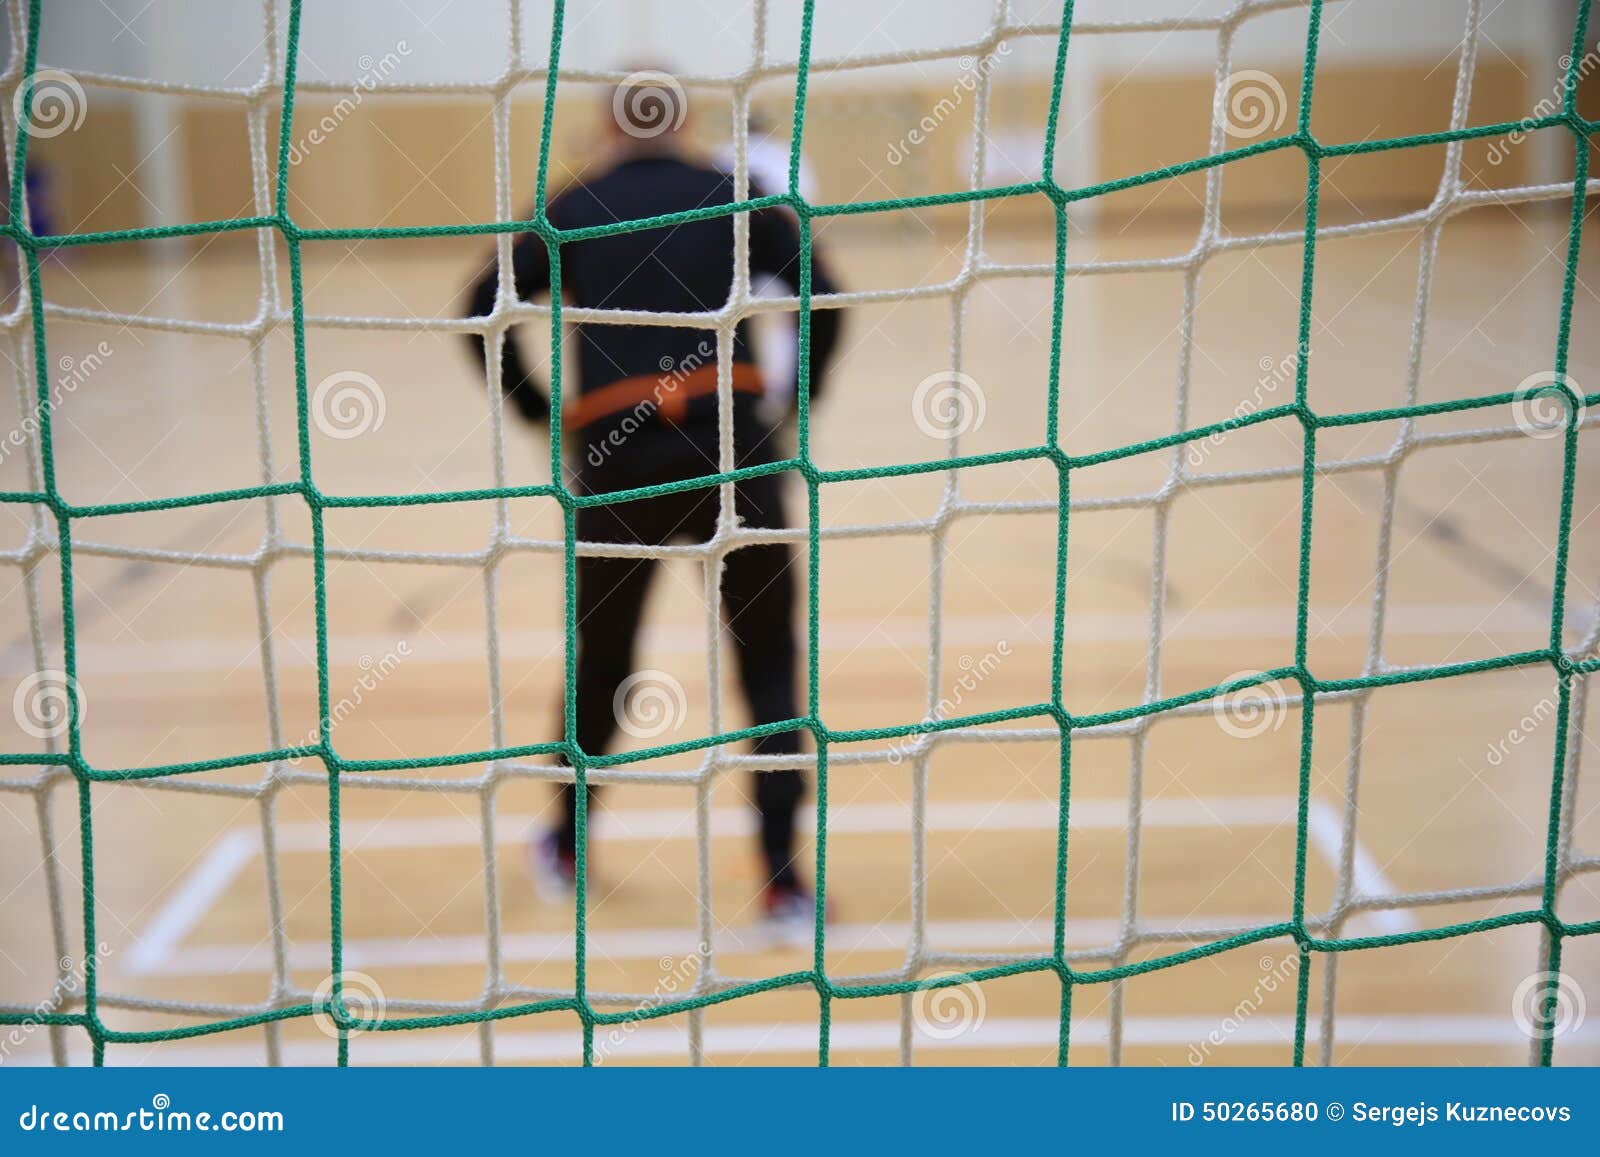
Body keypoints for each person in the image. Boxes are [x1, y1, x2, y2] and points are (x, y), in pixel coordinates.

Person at [462, 72, 844, 934]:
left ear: (604, 126)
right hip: (735, 461)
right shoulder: (734, 196)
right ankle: (783, 883)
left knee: (603, 662)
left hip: (616, 462)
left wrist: (540, 410)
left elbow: (476, 308)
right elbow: (826, 297)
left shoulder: (576, 205)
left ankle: (565, 843)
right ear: (688, 123)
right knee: (771, 672)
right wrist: (787, 410)